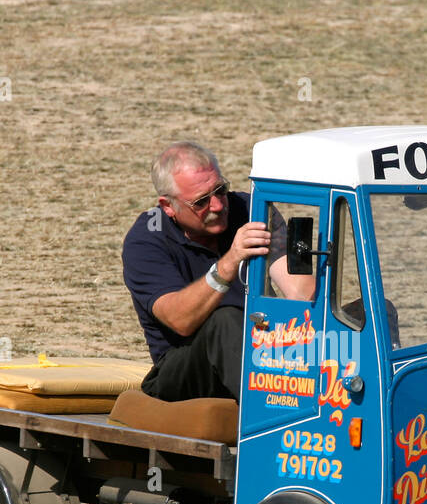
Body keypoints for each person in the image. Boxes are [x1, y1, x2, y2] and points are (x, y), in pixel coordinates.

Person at [121, 141, 311, 403]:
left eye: (220, 190)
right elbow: (180, 320)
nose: (218, 206)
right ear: (168, 206)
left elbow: (303, 296)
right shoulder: (146, 240)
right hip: (183, 370)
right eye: (201, 202)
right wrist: (229, 262)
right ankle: (273, 418)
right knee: (226, 321)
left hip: (260, 349)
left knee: (371, 314)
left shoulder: (249, 210)